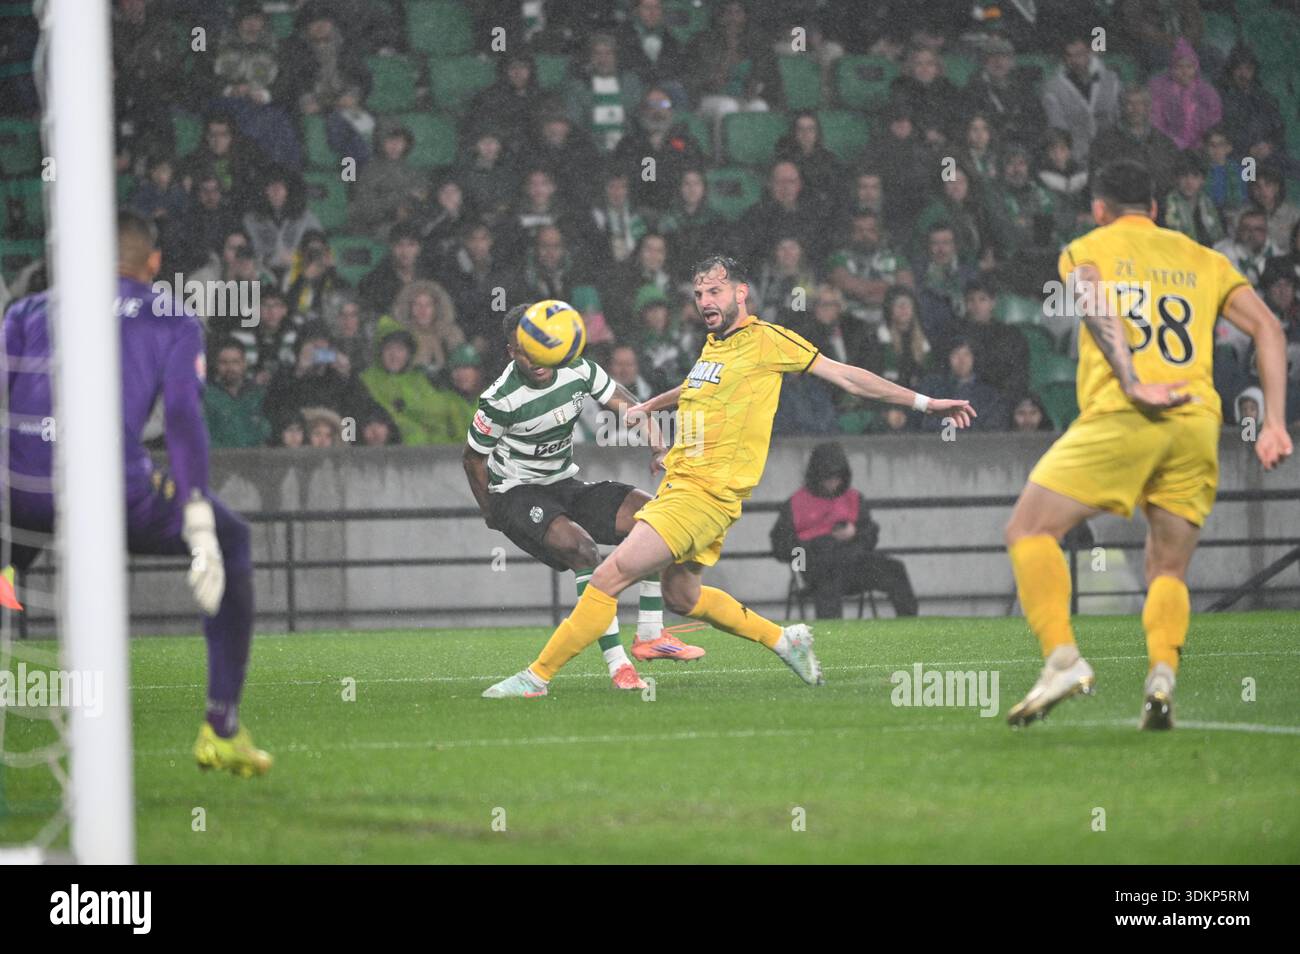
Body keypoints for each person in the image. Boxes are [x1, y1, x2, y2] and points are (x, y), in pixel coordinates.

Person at [482, 256, 975, 698]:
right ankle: (785, 640)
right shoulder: (716, 347)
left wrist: (927, 404)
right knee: (684, 597)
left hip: (703, 497)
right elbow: (698, 386)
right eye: (698, 295)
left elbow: (845, 375)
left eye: (715, 291)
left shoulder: (767, 340)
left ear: (742, 293)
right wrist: (652, 406)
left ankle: (536, 678)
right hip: (686, 486)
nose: (705, 302)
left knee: (607, 578)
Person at [1003, 160, 1292, 731]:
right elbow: (1270, 328)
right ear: (1157, 209)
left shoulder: (1089, 246)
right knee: (1168, 567)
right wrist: (1276, 421)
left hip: (1127, 413)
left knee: (1029, 529)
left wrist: (1132, 380)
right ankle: (1161, 676)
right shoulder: (1204, 258)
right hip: (1196, 423)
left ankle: (1062, 658)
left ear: (1100, 208)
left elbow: (1090, 300)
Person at [1, 212, 271, 776]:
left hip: (21, 493)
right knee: (233, 539)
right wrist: (195, 507)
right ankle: (220, 727)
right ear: (152, 263)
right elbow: (180, 416)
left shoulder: (26, 311)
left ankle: (9, 570)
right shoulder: (169, 315)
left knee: (13, 553)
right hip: (112, 495)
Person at [465, 304, 705, 693]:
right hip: (517, 492)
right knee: (583, 550)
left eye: (540, 345)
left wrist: (658, 446)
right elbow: (473, 458)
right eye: (523, 349)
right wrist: (491, 511)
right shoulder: (500, 399)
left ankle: (650, 634)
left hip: (564, 483)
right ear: (512, 351)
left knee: (657, 516)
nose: (534, 358)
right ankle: (618, 666)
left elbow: (627, 401)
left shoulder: (579, 368)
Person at [770, 441, 918, 619]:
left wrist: (854, 533)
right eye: (828, 478)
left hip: (854, 564)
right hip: (818, 566)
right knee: (827, 580)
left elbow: (870, 535)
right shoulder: (795, 504)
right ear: (816, 476)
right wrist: (813, 545)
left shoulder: (853, 498)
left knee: (894, 569)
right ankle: (831, 637)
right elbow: (780, 546)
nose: (833, 483)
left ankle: (909, 623)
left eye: (837, 477)